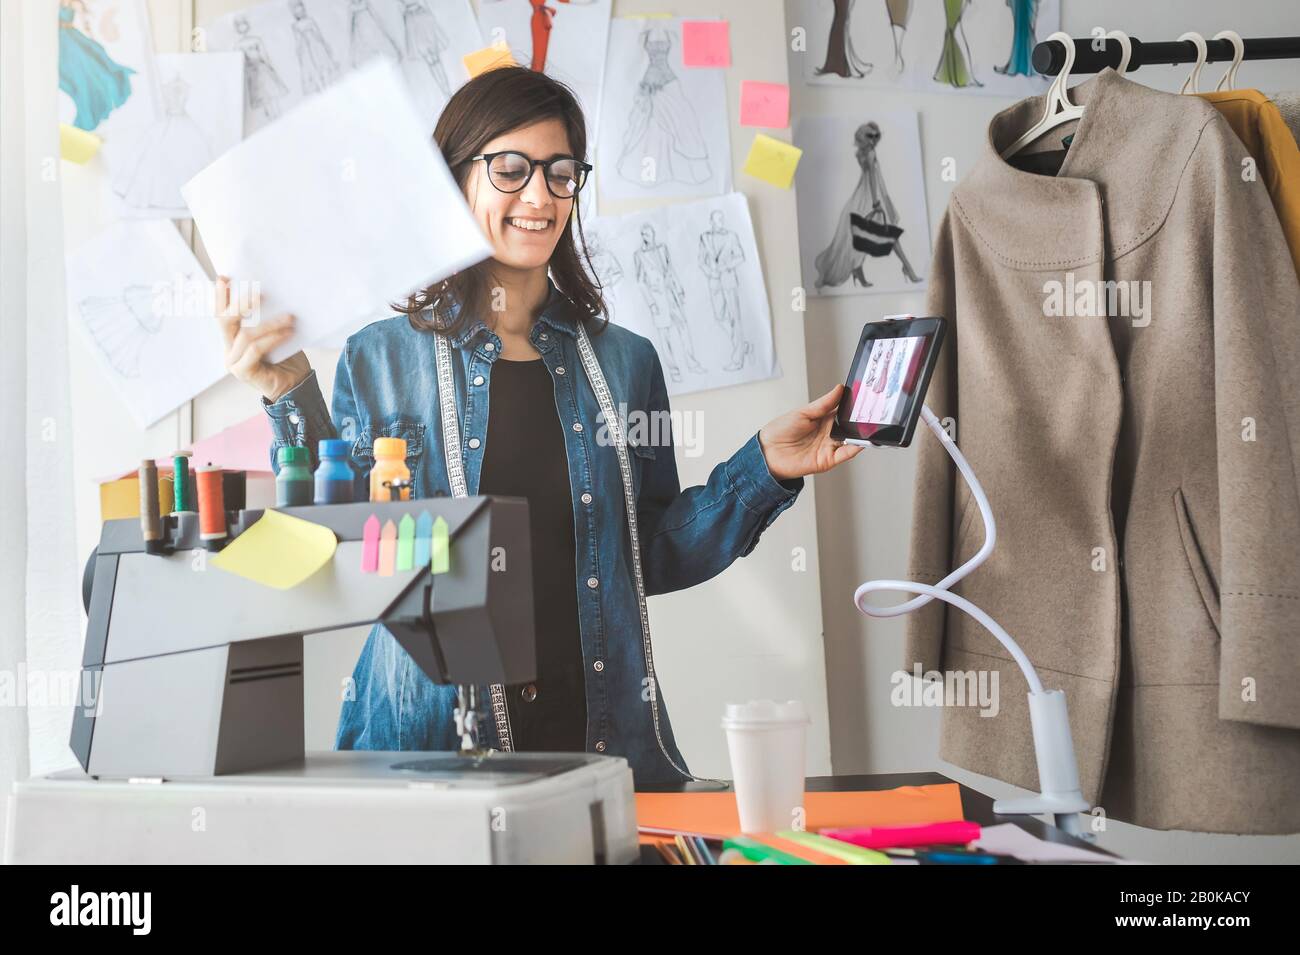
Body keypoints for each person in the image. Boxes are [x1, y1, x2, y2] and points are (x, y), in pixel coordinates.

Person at [215, 66, 862, 786]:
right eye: (511, 169)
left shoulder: (625, 365)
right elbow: (341, 554)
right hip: (428, 755)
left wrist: (763, 469)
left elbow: (647, 552)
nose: (540, 196)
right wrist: (288, 394)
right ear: (455, 181)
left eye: (560, 173)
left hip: (596, 741)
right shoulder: (380, 359)